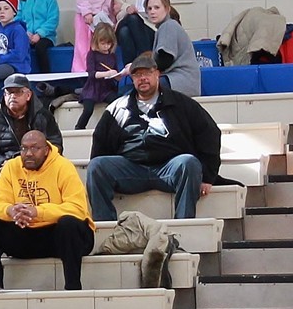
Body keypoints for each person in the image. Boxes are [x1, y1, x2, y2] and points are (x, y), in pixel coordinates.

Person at [85, 52, 222, 222]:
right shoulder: (117, 109)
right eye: (137, 75)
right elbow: (100, 143)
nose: (142, 78)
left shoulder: (181, 103)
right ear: (132, 79)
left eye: (147, 73)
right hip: (130, 169)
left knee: (189, 162)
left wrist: (208, 176)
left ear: (157, 74)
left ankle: (184, 224)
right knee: (97, 166)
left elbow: (210, 133)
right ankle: (105, 226)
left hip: (169, 168)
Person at [0, 130, 95, 292]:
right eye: (24, 148)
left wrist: (38, 212)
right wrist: (11, 210)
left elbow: (78, 208)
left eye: (34, 148)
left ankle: (73, 287)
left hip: (59, 236)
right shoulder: (11, 167)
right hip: (26, 233)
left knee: (69, 223)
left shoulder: (63, 166)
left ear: (46, 150)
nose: (28, 153)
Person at [0, 73, 63, 226]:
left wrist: (29, 161)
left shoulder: (44, 115)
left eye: (17, 92)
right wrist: (1, 164)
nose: (12, 96)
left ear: (28, 95)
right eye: (9, 92)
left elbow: (56, 146)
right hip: (5, 172)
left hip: (37, 174)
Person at [145, 0, 201, 97]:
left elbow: (165, 59)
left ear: (167, 9)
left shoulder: (168, 26)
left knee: (136, 91)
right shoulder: (166, 26)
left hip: (179, 81)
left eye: (157, 7)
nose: (152, 12)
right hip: (183, 82)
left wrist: (141, 67)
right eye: (149, 9)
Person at [76, 23, 123, 130]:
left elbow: (115, 73)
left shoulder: (112, 56)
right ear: (96, 42)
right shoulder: (92, 54)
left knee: (116, 104)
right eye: (103, 43)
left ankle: (115, 127)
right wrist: (107, 74)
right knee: (88, 109)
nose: (106, 46)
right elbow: (91, 74)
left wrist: (117, 75)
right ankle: (79, 127)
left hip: (107, 88)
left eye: (108, 44)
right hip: (92, 89)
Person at [18, 0, 61, 75]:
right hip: (27, 35)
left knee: (40, 48)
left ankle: (45, 78)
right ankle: (22, 76)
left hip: (45, 37)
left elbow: (52, 20)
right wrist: (24, 32)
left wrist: (39, 34)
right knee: (19, 47)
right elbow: (18, 17)